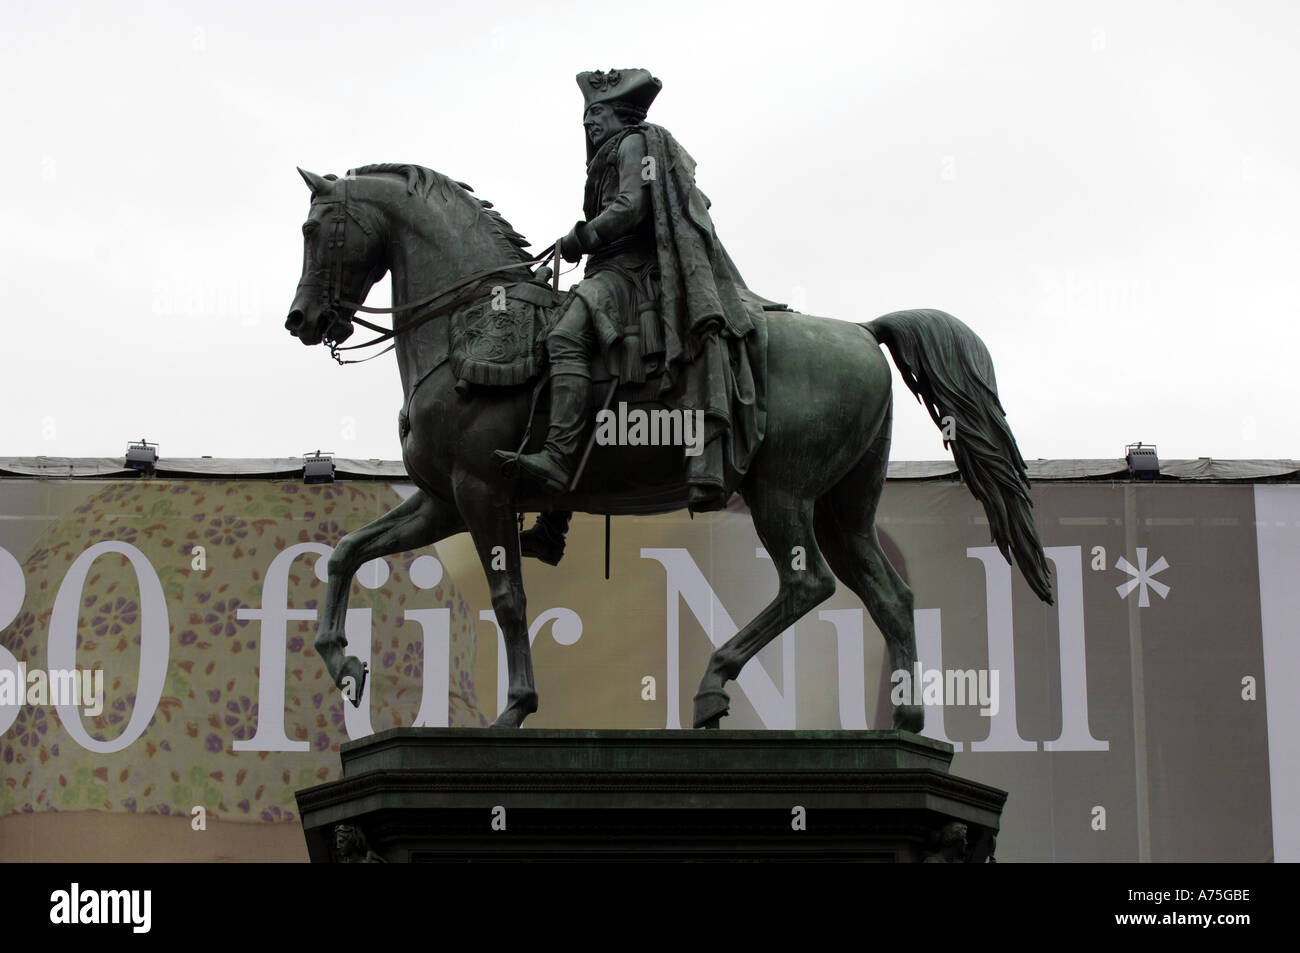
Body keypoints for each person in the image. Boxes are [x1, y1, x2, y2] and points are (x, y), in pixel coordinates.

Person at [507, 68, 770, 562]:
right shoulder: (607, 155)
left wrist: (582, 236)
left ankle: (559, 459)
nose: (589, 125)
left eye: (596, 115)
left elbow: (631, 208)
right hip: (608, 270)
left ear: (619, 114)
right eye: (585, 118)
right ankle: (553, 520)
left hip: (630, 272)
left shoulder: (632, 144)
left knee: (564, 337)